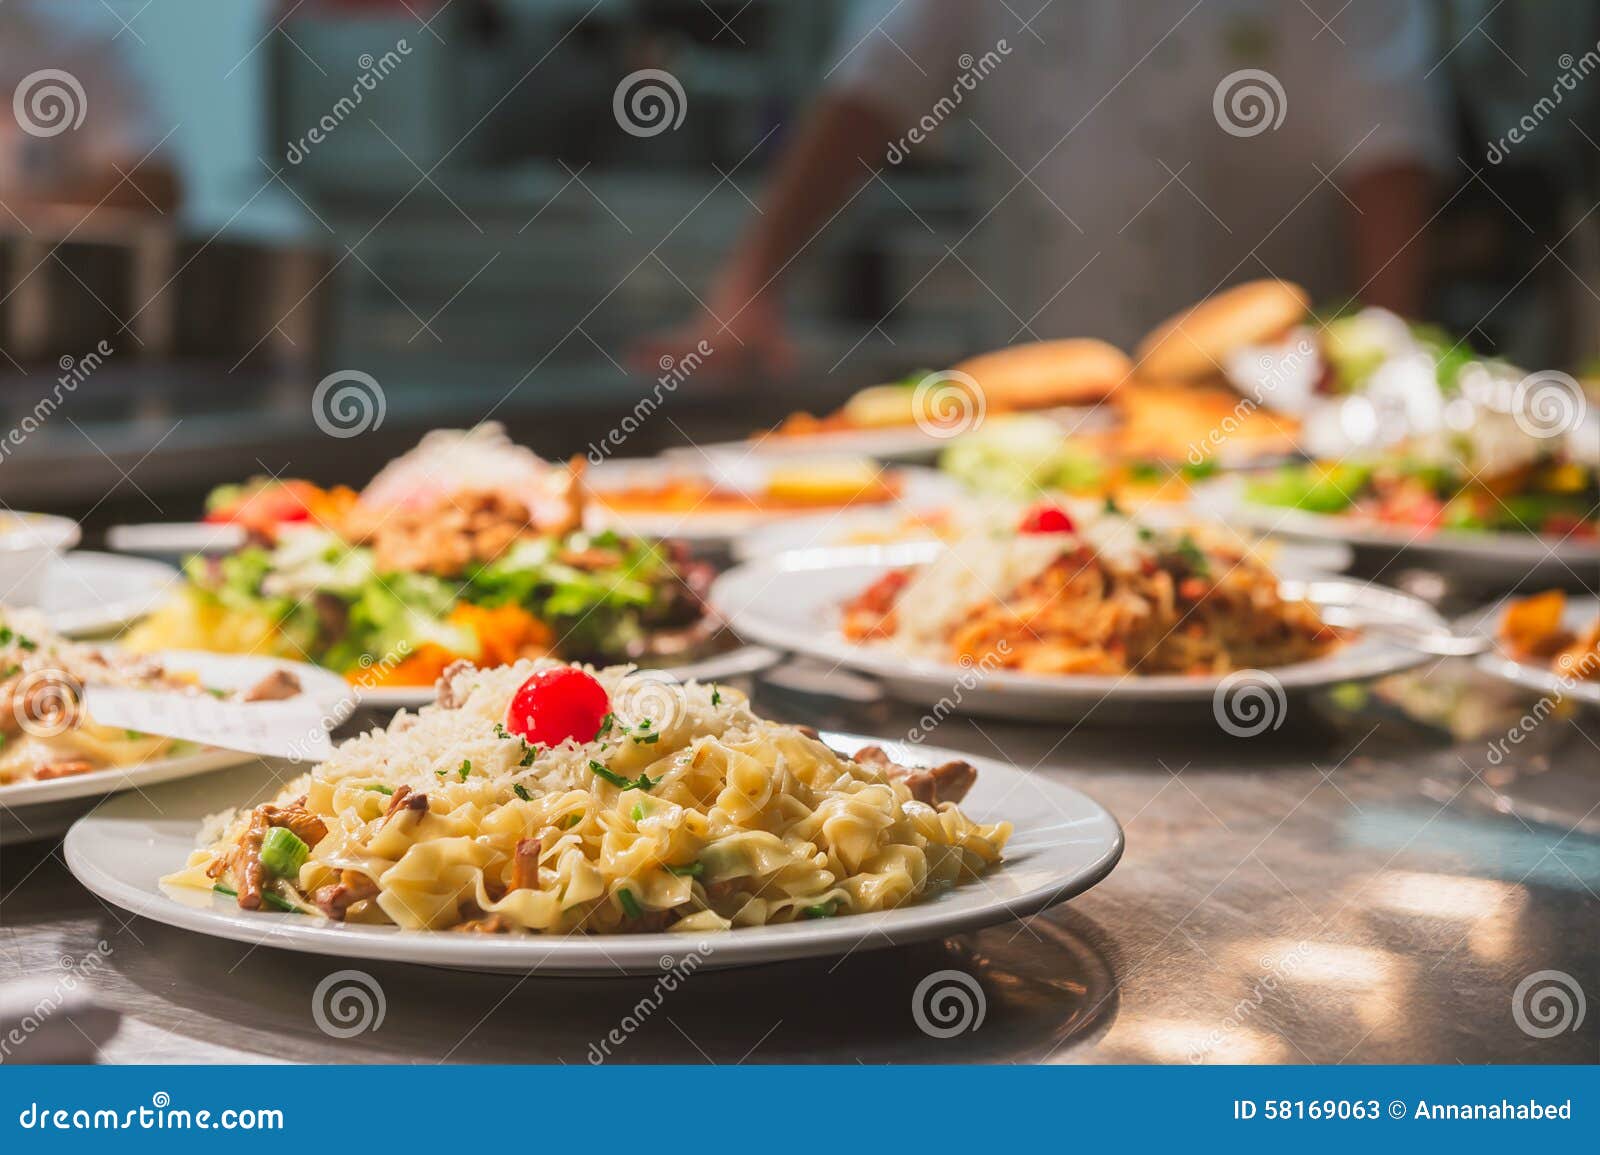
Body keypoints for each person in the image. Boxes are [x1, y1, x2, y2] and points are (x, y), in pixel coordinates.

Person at [640, 0, 1448, 378]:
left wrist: (1390, 356)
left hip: (1263, 409)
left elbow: (1388, 150)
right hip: (1034, 388)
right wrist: (745, 293)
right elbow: (872, 88)